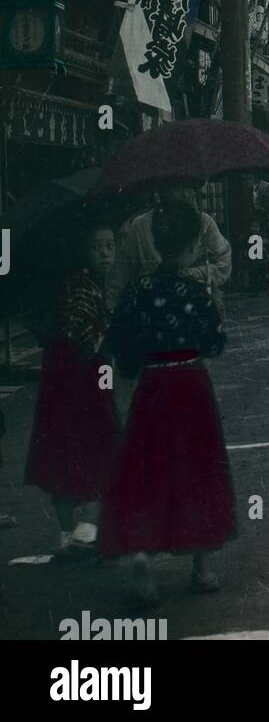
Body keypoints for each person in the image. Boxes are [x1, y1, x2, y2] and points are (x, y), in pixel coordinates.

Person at [98, 202, 235, 606]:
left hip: (152, 386)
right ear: (193, 245)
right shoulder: (195, 293)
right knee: (199, 469)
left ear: (156, 243)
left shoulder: (138, 292)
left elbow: (121, 347)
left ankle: (140, 552)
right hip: (191, 384)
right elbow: (214, 343)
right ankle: (202, 566)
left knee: (145, 469)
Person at [25, 217, 121, 556]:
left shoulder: (73, 284)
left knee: (63, 456)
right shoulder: (82, 287)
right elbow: (87, 338)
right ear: (82, 251)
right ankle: (86, 531)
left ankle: (68, 535)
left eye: (110, 246)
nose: (105, 254)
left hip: (60, 382)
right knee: (95, 447)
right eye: (97, 248)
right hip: (83, 382)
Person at [110, 187, 231, 313]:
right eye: (178, 186)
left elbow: (224, 262)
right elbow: (121, 275)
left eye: (189, 186)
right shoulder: (141, 226)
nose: (187, 192)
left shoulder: (204, 222)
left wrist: (194, 273)